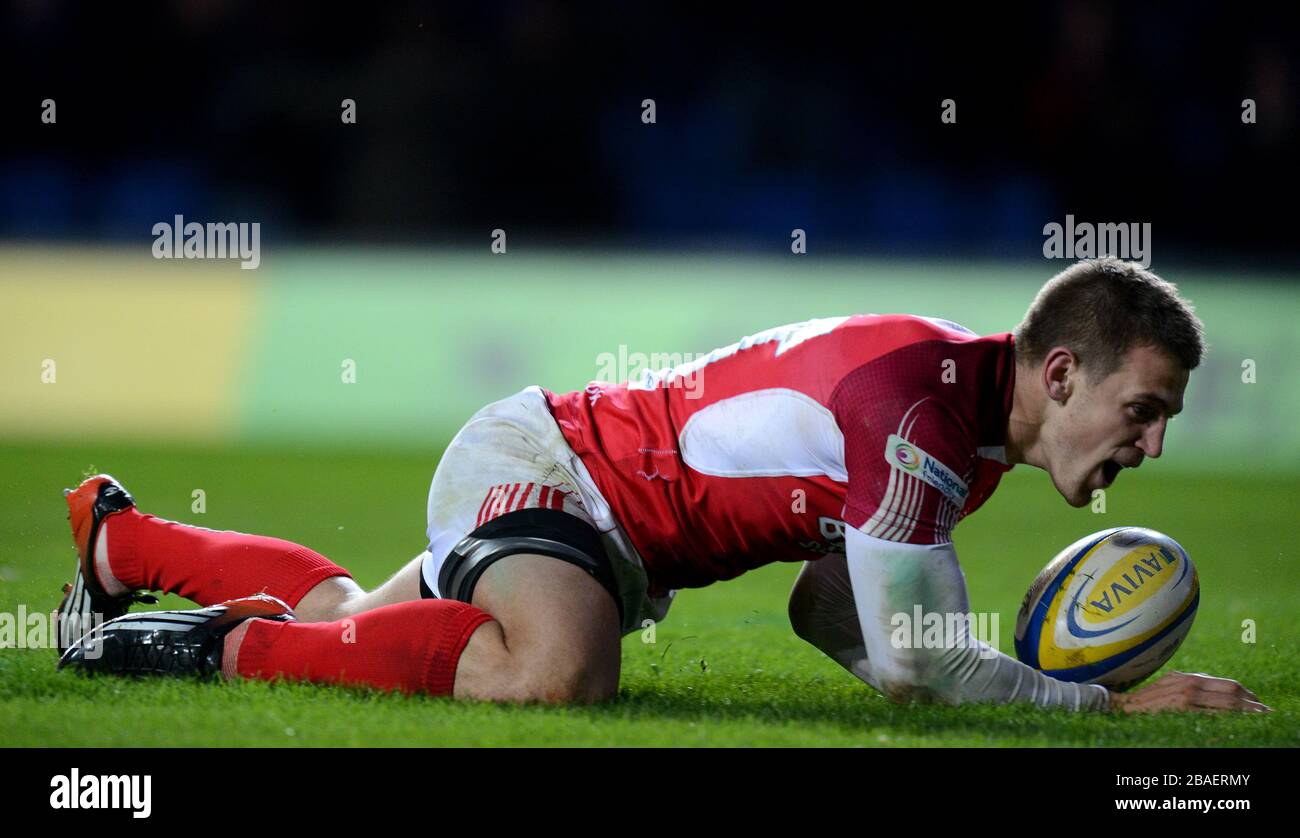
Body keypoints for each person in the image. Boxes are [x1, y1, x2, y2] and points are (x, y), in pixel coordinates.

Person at [56, 258, 1269, 714]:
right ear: (1061, 373)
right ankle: (195, 650)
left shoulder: (962, 419)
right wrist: (1097, 712)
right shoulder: (921, 415)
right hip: (557, 479)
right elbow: (914, 656)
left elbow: (825, 607)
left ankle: (123, 544)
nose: (1149, 444)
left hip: (580, 500)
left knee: (351, 631)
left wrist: (931, 663)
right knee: (554, 675)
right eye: (1142, 409)